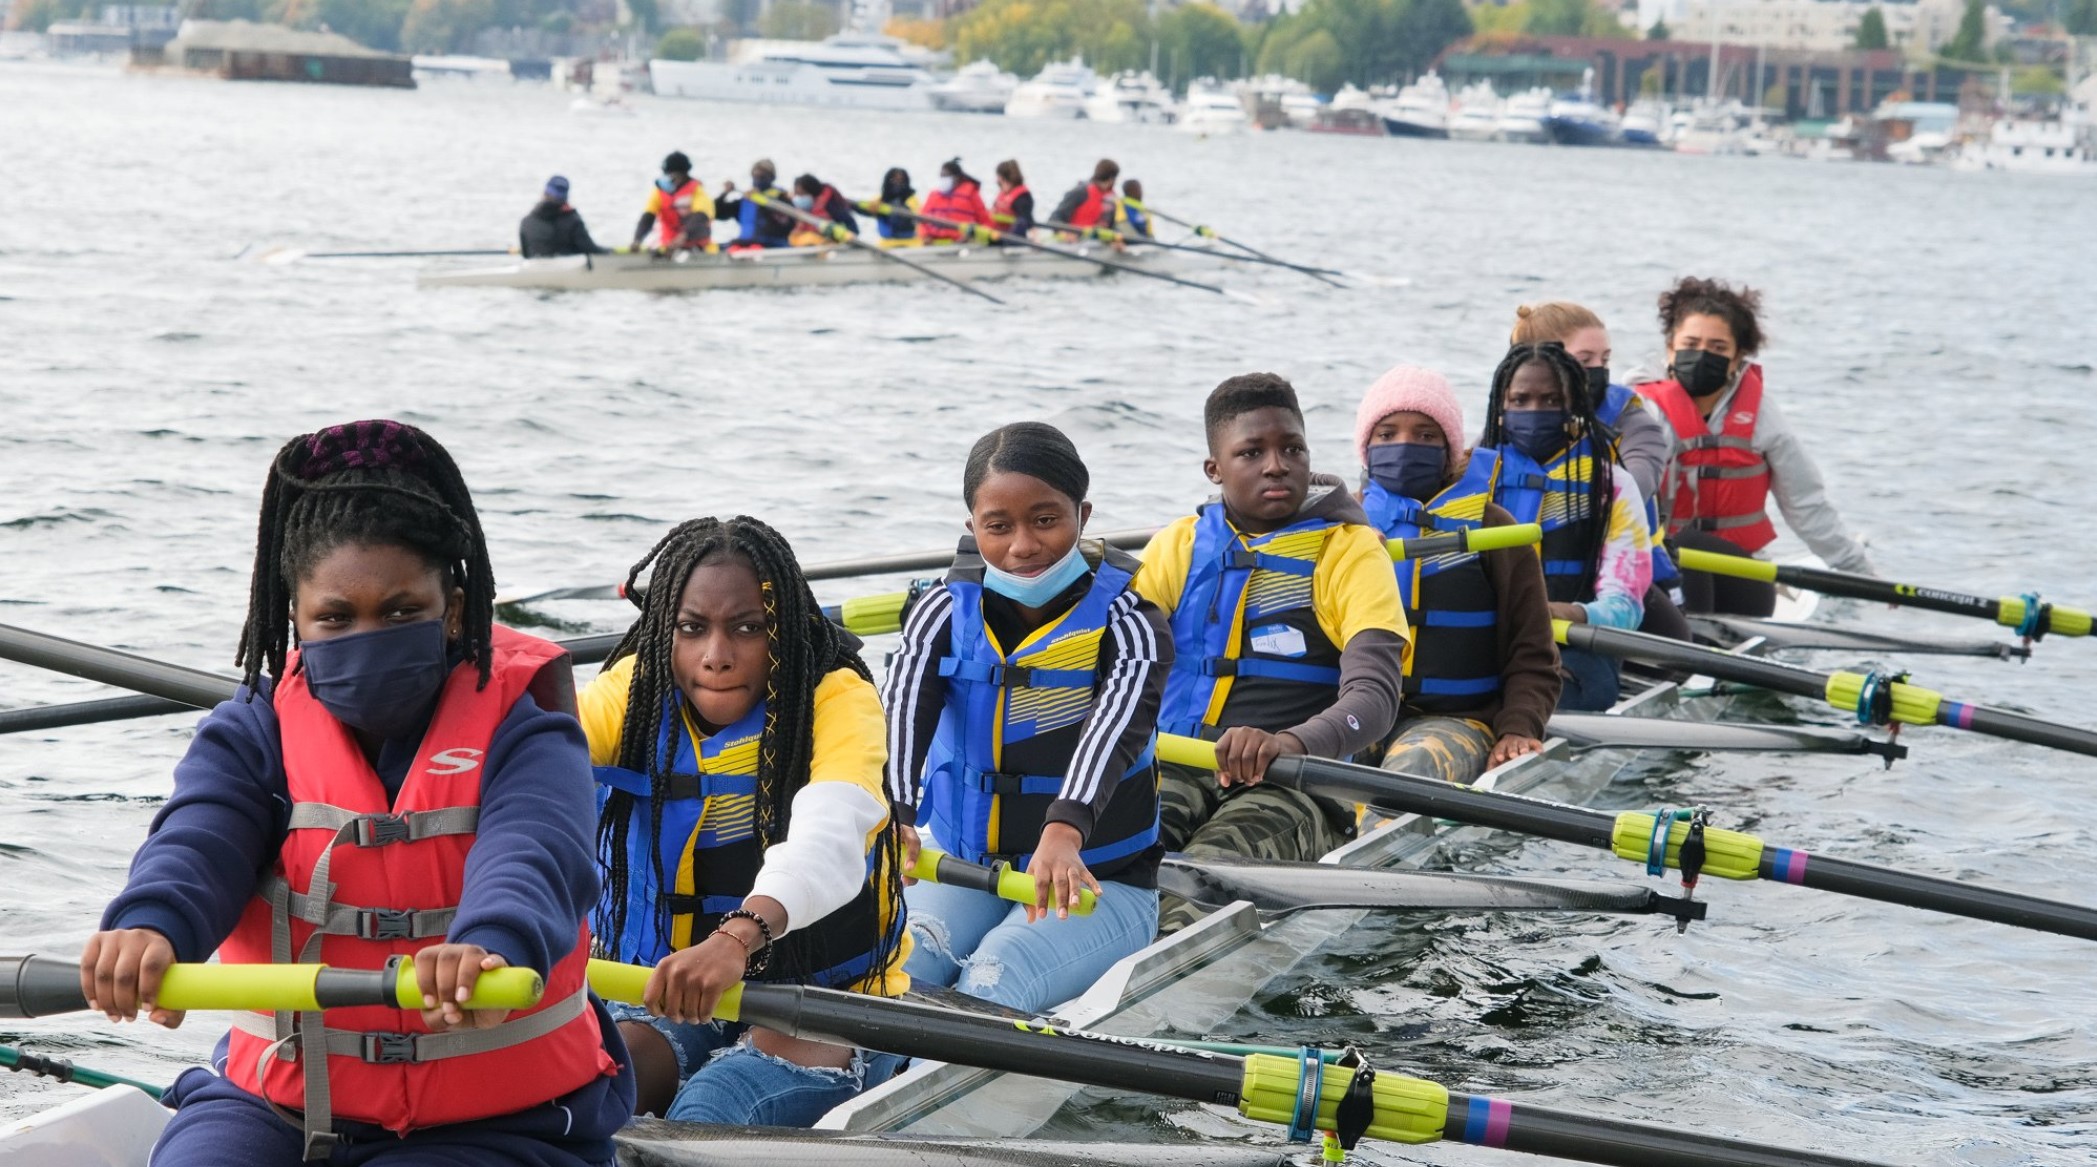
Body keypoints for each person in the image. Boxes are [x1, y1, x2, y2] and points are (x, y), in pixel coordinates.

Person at [81, 420, 632, 1166]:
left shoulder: (528, 731)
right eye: (336, 618)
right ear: (297, 621)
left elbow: (536, 848)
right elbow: (199, 838)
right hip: (276, 1102)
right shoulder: (254, 730)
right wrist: (150, 927)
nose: (368, 637)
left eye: (401, 612)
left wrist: (490, 942)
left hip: (499, 1124)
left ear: (454, 611)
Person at [583, 516, 908, 1127]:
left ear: (783, 630)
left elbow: (831, 829)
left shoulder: (837, 697)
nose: (716, 657)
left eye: (747, 628)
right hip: (674, 983)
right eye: (692, 629)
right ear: (665, 629)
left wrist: (735, 938)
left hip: (823, 992)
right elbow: (537, 766)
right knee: (596, 1089)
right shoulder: (631, 688)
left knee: (712, 1106)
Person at [883, 423, 1169, 1013]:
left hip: (1099, 879)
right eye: (999, 526)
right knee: (897, 964)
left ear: (1082, 516)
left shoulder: (1130, 623)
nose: (1023, 545)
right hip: (967, 868)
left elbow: (1113, 733)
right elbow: (900, 717)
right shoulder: (940, 612)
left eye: (1045, 520)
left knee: (996, 974)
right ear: (972, 528)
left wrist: (1063, 833)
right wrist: (895, 813)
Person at [1132, 374, 1409, 932]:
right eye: (1251, 452)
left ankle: (1170, 944)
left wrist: (1289, 743)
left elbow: (1375, 698)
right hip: (1177, 761)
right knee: (1112, 860)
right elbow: (1113, 664)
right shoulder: (1178, 545)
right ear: (1214, 469)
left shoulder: (1350, 552)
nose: (1277, 465)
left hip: (1297, 782)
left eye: (1293, 449)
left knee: (1198, 879)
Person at [1354, 367, 1560, 785]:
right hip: (1356, 714)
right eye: (1387, 434)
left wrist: (1519, 727)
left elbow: (1533, 652)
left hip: (1459, 721)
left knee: (1415, 764)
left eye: (1426, 435)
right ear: (1366, 447)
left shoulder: (1495, 530)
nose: (1405, 445)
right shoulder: (1343, 528)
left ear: (1450, 449)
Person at [1637, 277, 1875, 616]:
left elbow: (1806, 505)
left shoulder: (1761, 417)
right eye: (1691, 343)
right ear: (1670, 348)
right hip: (1655, 573)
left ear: (1738, 358)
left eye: (1718, 348)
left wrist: (1860, 574)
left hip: (1742, 574)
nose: (1702, 355)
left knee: (1687, 542)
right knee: (1678, 545)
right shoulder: (1639, 410)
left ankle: (1690, 638)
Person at [1473, 343, 1654, 711]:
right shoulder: (1473, 483)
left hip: (1574, 646)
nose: (1534, 410)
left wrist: (1565, 612)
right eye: (1520, 400)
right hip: (1484, 643)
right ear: (1501, 408)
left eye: (1551, 400)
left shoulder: (1612, 486)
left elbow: (1626, 606)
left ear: (1574, 407)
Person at [1510, 301, 1691, 642]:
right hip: (1529, 592)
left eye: (1604, 361)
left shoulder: (1632, 420)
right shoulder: (1498, 435)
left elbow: (1640, 477)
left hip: (1623, 575)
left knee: (1677, 638)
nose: (1598, 372)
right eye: (1585, 361)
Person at [633, 151, 714, 252]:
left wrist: (684, 235)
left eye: (674, 175)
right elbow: (648, 216)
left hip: (697, 247)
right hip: (667, 246)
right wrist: (637, 239)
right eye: (667, 174)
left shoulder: (697, 190)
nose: (670, 178)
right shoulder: (659, 191)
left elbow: (701, 216)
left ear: (683, 175)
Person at [714, 159, 795, 249]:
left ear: (771, 178)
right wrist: (725, 193)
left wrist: (761, 202)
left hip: (772, 245)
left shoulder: (782, 198)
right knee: (721, 247)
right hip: (746, 243)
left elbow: (787, 225)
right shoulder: (747, 200)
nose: (758, 180)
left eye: (762, 177)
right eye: (755, 177)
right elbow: (717, 213)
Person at [521, 175, 608, 258]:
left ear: (544, 194)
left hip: (535, 266)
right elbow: (590, 249)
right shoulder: (573, 220)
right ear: (565, 197)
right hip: (568, 266)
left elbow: (526, 254)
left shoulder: (527, 222)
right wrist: (609, 251)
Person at [918, 158, 993, 244]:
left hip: (963, 244)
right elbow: (922, 220)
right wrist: (925, 235)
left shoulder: (970, 193)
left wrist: (971, 236)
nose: (943, 179)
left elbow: (985, 221)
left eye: (946, 176)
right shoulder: (933, 195)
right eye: (941, 176)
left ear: (957, 178)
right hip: (935, 245)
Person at [1050, 159, 1120, 237]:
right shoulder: (1080, 192)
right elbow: (1054, 218)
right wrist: (1064, 233)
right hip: (1073, 239)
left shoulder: (1113, 199)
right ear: (1111, 179)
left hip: (1098, 240)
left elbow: (1114, 226)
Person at [786, 173, 860, 247]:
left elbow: (852, 228)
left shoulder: (831, 205)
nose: (798, 198)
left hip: (830, 244)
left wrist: (836, 233)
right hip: (807, 244)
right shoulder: (796, 206)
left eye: (801, 194)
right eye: (796, 194)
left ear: (812, 193)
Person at [873, 167, 919, 245]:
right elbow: (866, 210)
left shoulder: (912, 200)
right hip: (886, 243)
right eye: (893, 180)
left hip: (911, 242)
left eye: (901, 181)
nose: (897, 183)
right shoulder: (879, 200)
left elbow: (916, 219)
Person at [990, 159, 1034, 239]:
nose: (997, 182)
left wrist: (1036, 240)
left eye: (999, 180)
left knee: (1021, 222)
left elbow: (1029, 222)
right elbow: (991, 213)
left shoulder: (1022, 198)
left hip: (1013, 239)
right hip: (997, 235)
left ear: (1005, 179)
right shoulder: (1002, 194)